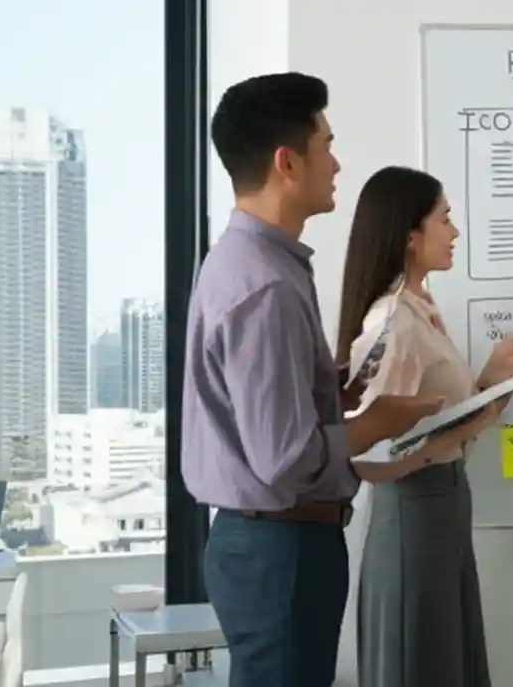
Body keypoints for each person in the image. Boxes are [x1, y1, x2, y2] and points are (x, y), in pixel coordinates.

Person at [181, 73, 442, 687]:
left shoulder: (256, 263)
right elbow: (283, 457)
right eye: (326, 145)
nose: (337, 163)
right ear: (287, 162)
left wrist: (334, 393)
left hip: (273, 546)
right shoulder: (265, 285)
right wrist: (375, 422)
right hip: (281, 550)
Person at [336, 166, 513, 687]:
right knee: (421, 663)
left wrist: (493, 382)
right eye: (445, 218)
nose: (455, 231)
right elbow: (368, 451)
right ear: (410, 234)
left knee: (446, 662)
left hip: (443, 508)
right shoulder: (391, 322)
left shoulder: (421, 310)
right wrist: (463, 423)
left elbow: (436, 428)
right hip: (415, 513)